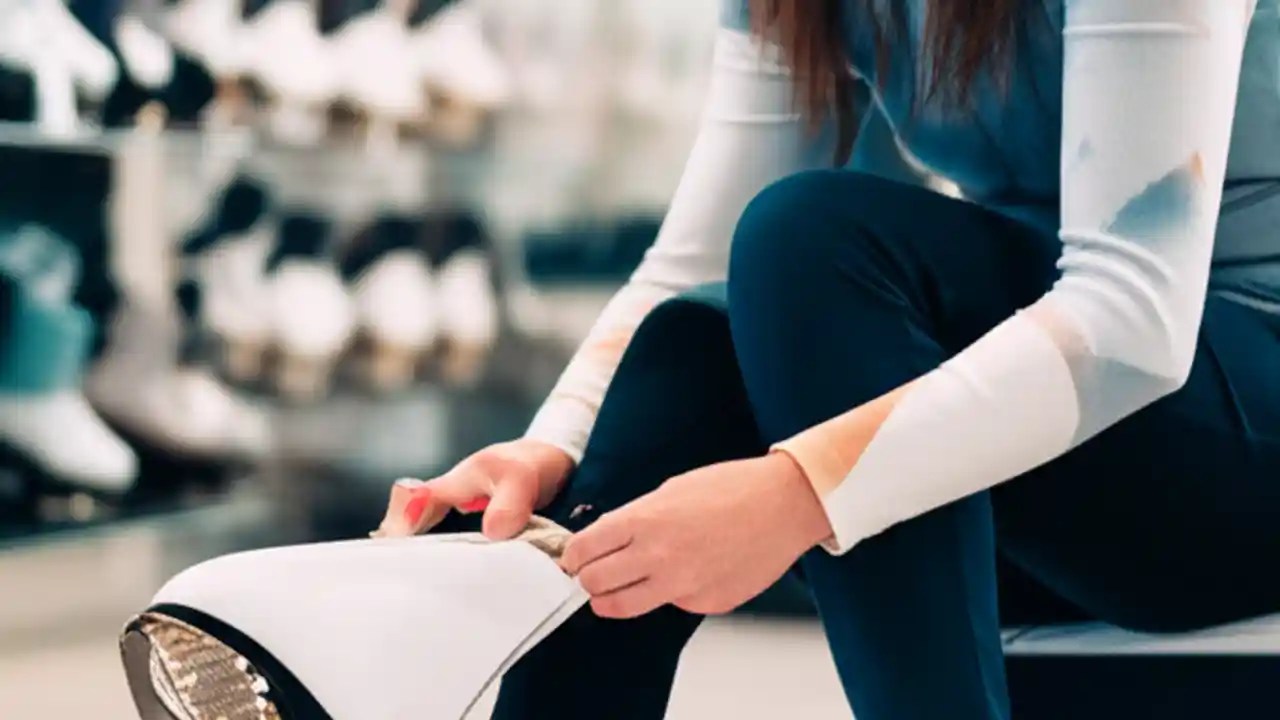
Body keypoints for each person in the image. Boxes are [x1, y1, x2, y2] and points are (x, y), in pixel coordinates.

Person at [380, 1, 1280, 717]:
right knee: (702, 342)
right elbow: (689, 266)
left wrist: (797, 493)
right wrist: (551, 451)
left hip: (1240, 442)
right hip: (1088, 460)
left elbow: (1130, 317)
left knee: (812, 240)